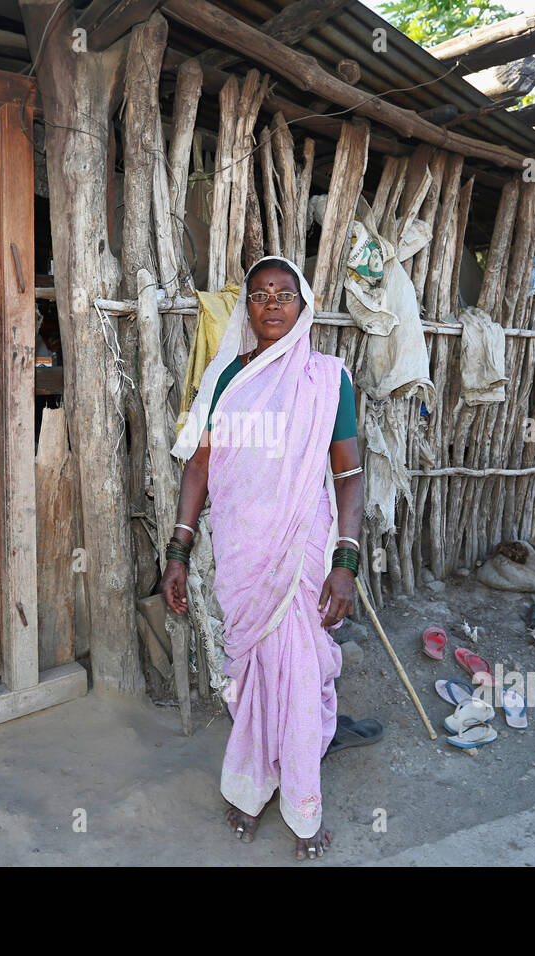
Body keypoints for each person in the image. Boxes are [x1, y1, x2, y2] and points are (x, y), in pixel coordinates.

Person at [161, 256, 363, 861]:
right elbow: (199, 465)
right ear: (246, 309)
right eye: (258, 295)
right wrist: (178, 549)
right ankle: (252, 786)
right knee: (250, 673)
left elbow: (349, 475)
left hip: (303, 553)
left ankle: (303, 804)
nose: (271, 304)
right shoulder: (226, 378)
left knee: (299, 668)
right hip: (245, 557)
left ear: (303, 306)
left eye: (283, 294)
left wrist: (345, 561)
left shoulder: (328, 379)